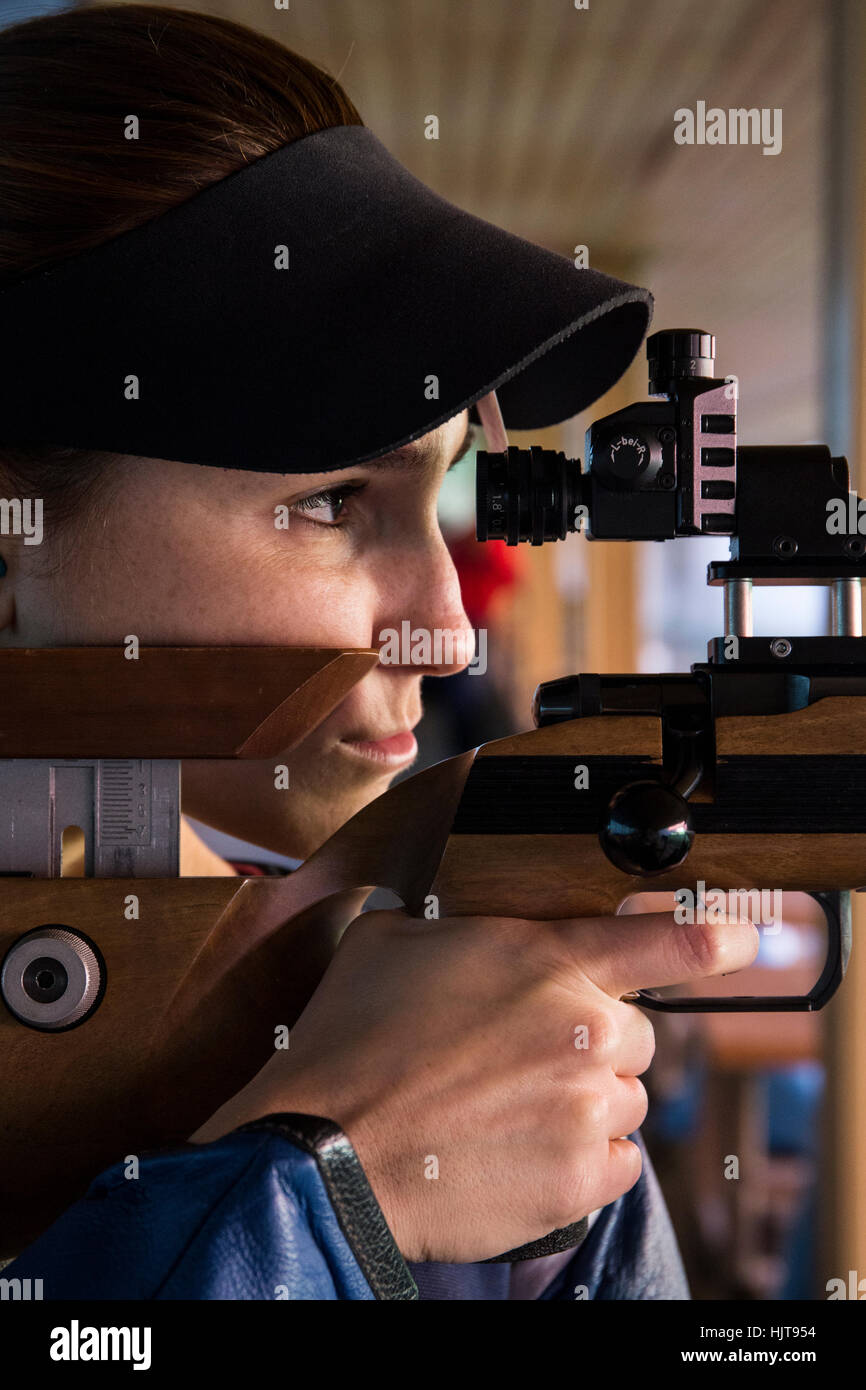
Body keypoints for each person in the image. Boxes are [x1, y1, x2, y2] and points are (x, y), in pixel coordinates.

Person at [0, 4, 758, 1300]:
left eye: (440, 494)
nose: (445, 628)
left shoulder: (306, 963)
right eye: (330, 502)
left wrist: (564, 1217)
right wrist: (323, 1185)